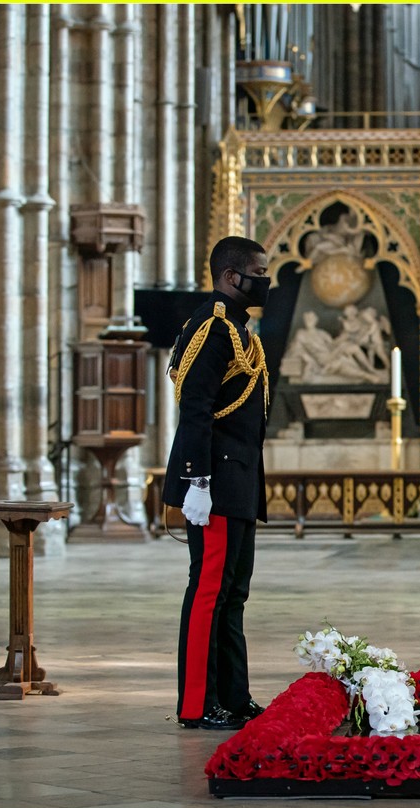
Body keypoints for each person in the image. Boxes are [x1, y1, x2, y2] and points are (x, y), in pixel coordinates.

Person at [163, 236, 272, 728]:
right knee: (209, 591)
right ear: (232, 277)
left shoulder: (241, 331)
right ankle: (199, 704)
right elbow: (196, 409)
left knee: (234, 594)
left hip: (238, 481)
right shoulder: (211, 328)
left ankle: (233, 694)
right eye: (259, 273)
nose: (265, 283)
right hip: (216, 481)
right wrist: (197, 482)